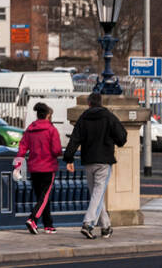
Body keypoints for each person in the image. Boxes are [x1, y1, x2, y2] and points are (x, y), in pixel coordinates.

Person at [63, 92, 128, 239]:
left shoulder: (83, 118)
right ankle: (88, 223)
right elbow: (122, 137)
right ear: (101, 102)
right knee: (98, 195)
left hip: (88, 161)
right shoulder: (109, 117)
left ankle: (106, 227)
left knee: (96, 195)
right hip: (104, 161)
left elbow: (74, 139)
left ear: (89, 103)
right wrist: (116, 141)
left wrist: (68, 158)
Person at [15, 102, 62, 234]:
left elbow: (22, 148)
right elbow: (57, 150)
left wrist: (17, 167)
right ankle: (33, 219)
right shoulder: (52, 130)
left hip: (34, 168)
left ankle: (48, 225)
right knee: (44, 197)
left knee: (42, 198)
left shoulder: (30, 129)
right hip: (48, 167)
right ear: (48, 115)